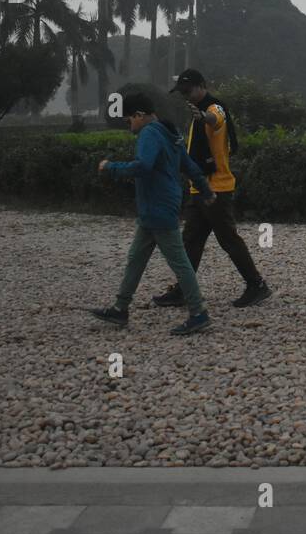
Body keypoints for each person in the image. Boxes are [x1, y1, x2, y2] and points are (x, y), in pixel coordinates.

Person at [93, 91, 217, 336]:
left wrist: (111, 168)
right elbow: (189, 166)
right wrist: (206, 190)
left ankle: (199, 312)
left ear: (139, 115)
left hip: (158, 208)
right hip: (155, 210)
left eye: (129, 119)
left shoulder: (149, 134)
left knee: (180, 263)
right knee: (136, 258)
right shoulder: (169, 133)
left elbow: (143, 166)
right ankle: (120, 308)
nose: (129, 124)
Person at [150, 69, 272, 309]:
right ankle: (184, 289)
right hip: (200, 187)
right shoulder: (196, 112)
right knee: (191, 241)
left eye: (188, 91)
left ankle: (257, 285)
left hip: (216, 188)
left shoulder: (215, 108)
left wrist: (203, 116)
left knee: (228, 239)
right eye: (182, 92)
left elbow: (215, 120)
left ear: (201, 86)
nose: (186, 96)